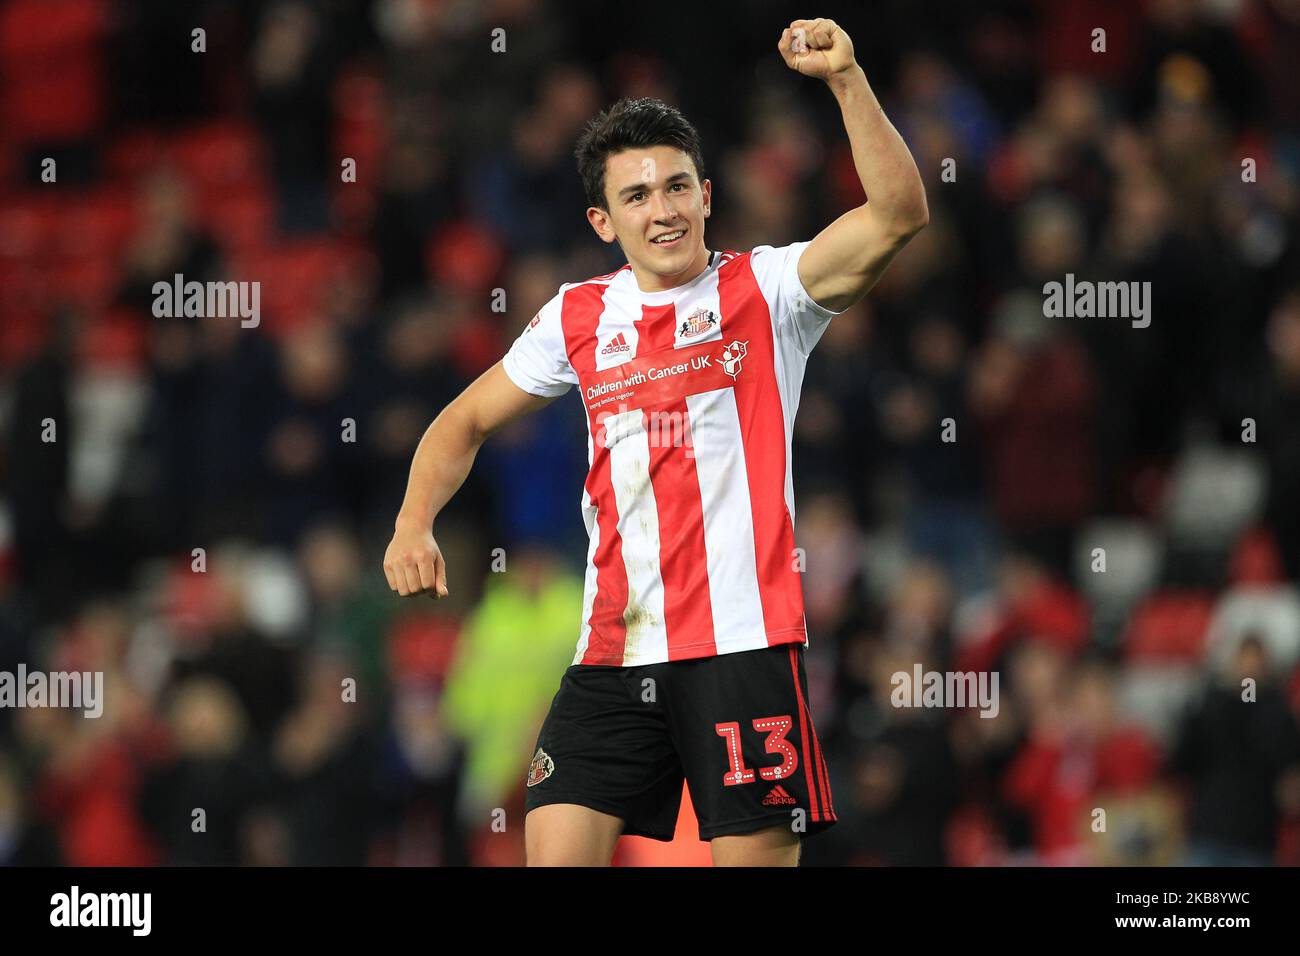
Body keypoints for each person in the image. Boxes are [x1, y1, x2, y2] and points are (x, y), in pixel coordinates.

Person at [383, 18, 928, 866]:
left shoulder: (770, 290)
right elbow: (464, 420)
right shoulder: (577, 316)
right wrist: (413, 524)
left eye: (677, 187)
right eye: (637, 196)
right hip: (614, 649)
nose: (662, 209)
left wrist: (848, 79)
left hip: (741, 649)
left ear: (707, 195)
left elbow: (898, 213)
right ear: (604, 221)